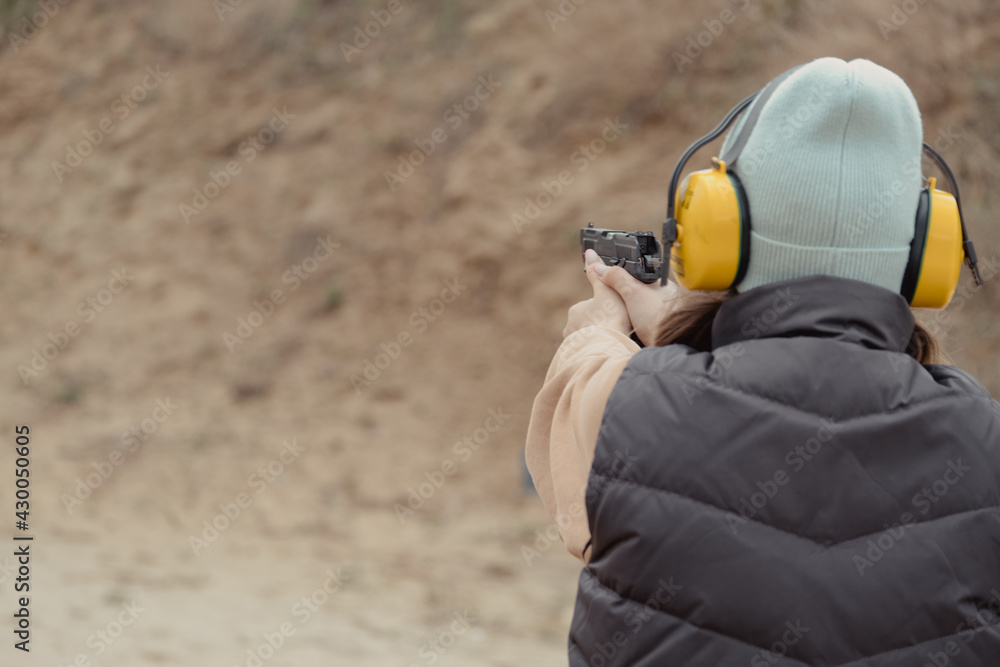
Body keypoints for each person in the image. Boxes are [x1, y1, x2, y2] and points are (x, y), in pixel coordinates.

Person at [525, 58, 1000, 665]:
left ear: (720, 231)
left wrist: (613, 332)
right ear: (924, 253)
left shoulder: (626, 399)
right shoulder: (982, 435)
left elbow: (582, 440)